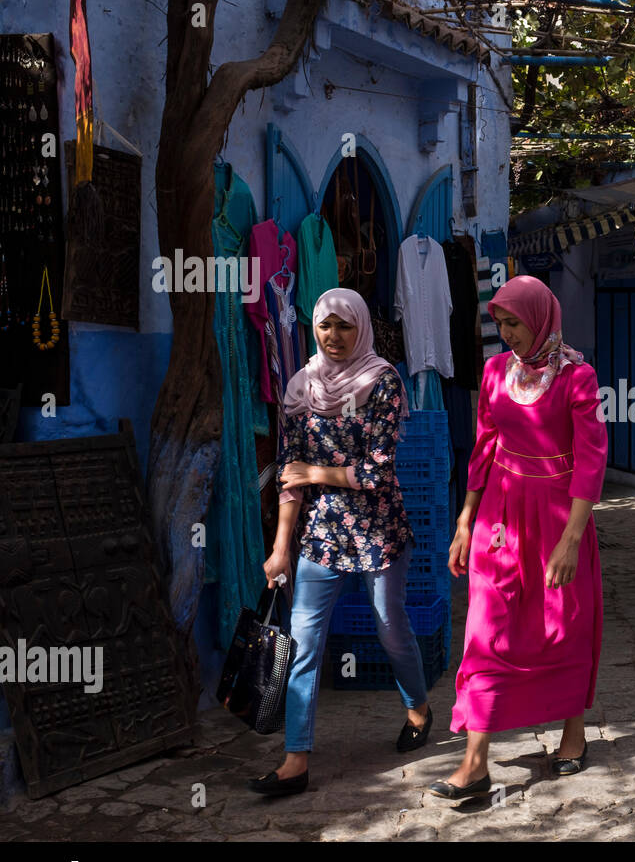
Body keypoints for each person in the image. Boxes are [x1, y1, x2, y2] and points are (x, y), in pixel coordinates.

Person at [252, 288, 430, 798]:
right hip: (321, 536)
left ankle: (418, 707)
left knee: (390, 626)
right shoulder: (301, 386)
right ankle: (296, 760)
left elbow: (376, 472)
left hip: (379, 532)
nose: (333, 336)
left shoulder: (384, 382)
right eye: (325, 325)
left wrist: (314, 470)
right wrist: (281, 548)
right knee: (304, 644)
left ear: (362, 328)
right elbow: (290, 477)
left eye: (344, 326)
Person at [439, 275, 607, 800]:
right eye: (501, 322)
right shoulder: (493, 373)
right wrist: (466, 520)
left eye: (514, 321)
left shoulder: (577, 378)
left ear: (539, 317)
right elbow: (484, 447)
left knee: (562, 626)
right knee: (485, 629)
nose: (506, 332)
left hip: (560, 518)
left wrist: (572, 540)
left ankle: (573, 735)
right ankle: (474, 762)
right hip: (500, 517)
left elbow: (591, 460)